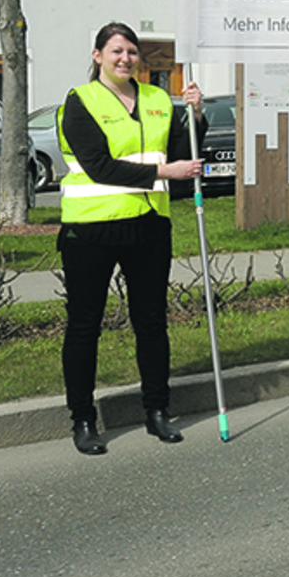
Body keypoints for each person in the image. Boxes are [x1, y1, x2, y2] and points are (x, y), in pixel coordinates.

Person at [58, 23, 206, 454]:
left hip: (149, 226)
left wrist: (194, 117)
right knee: (85, 328)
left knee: (152, 323)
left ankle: (157, 411)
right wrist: (165, 173)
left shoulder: (159, 98)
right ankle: (83, 419)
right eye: (116, 51)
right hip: (92, 230)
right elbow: (99, 166)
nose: (125, 58)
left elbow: (181, 155)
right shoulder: (79, 102)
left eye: (132, 52)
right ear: (98, 55)